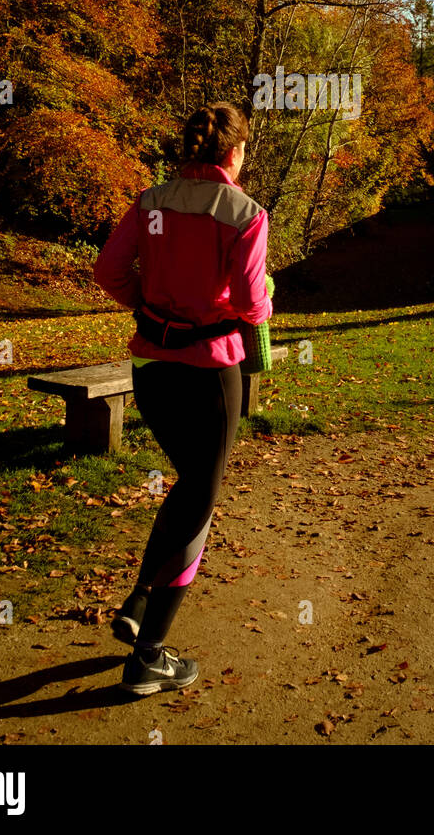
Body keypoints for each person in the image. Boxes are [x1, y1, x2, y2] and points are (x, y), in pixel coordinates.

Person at [92, 101, 271, 697]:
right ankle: (148, 658)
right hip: (211, 371)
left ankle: (142, 600)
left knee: (190, 483)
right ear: (233, 152)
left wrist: (149, 301)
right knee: (201, 497)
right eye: (244, 151)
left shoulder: (150, 202)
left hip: (150, 367)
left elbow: (109, 271)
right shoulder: (244, 212)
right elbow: (249, 302)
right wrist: (267, 302)